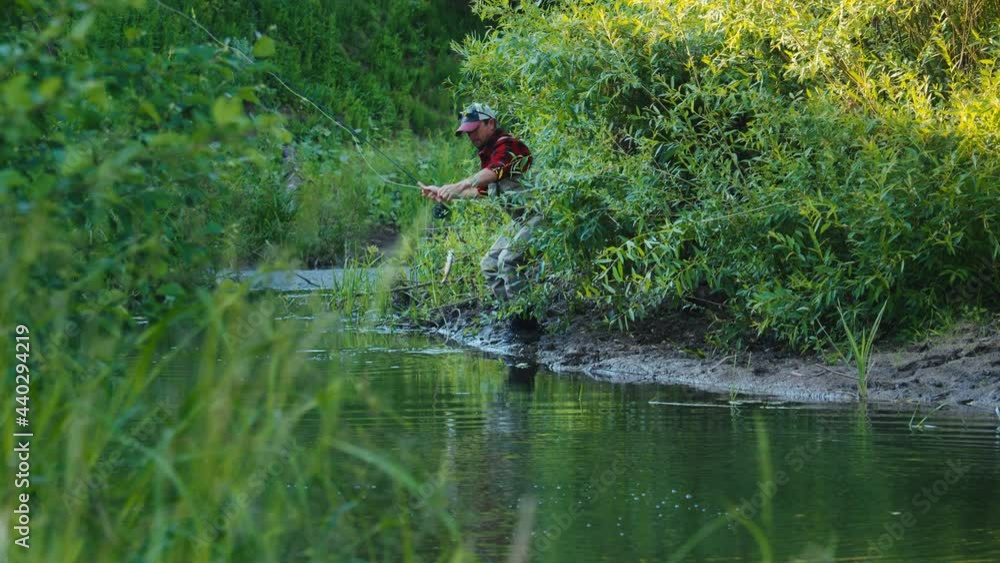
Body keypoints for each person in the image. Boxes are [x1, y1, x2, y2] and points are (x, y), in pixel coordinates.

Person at [420, 103, 541, 340]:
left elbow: (494, 172)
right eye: (467, 132)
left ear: (491, 123)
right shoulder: (489, 154)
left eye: (474, 129)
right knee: (489, 264)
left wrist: (460, 184)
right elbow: (480, 191)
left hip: (540, 214)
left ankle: (528, 328)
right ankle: (515, 320)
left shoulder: (509, 146)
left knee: (508, 260)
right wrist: (445, 191)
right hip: (522, 220)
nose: (471, 136)